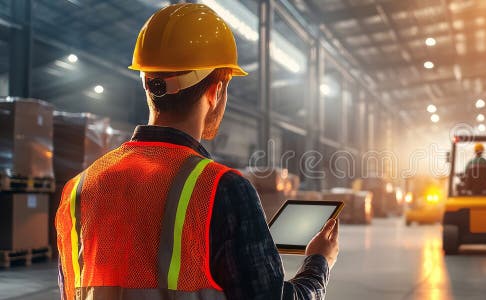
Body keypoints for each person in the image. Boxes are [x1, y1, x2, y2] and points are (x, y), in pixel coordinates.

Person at [54, 4, 338, 299]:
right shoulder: (223, 189)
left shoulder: (78, 188)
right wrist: (319, 262)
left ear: (148, 85)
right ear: (216, 92)